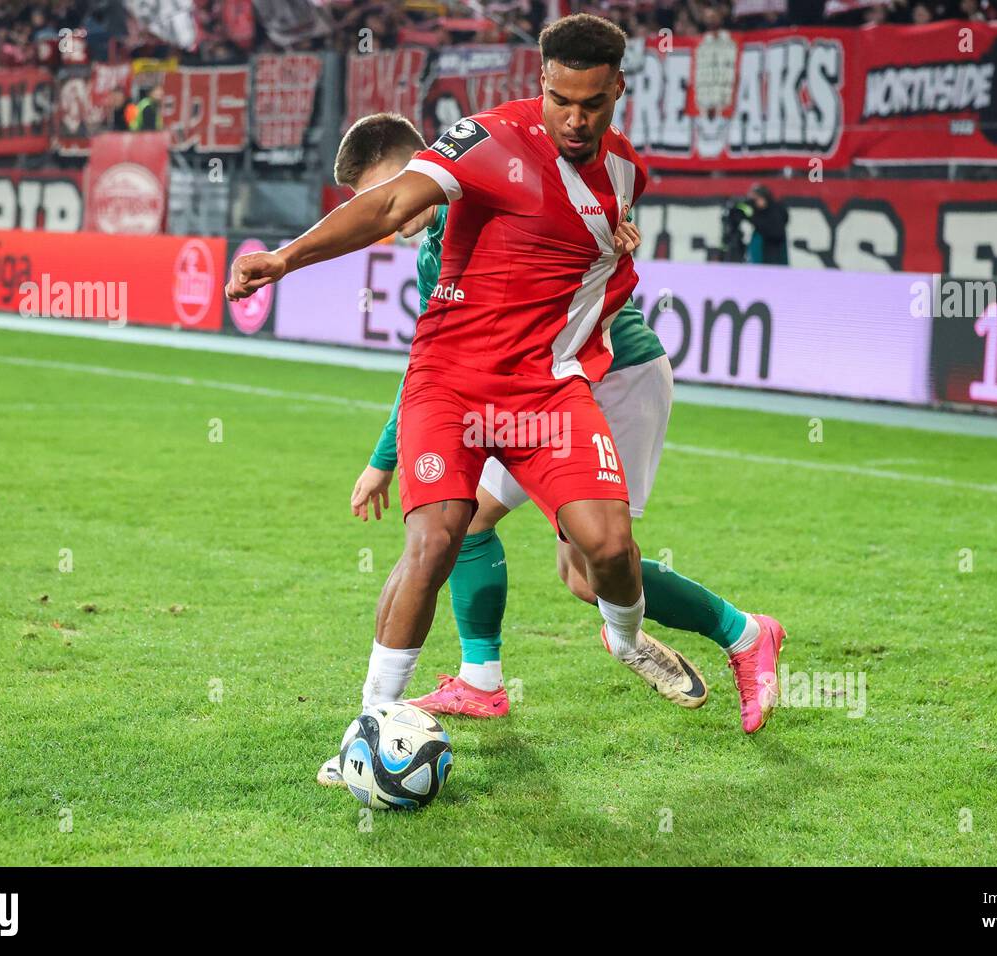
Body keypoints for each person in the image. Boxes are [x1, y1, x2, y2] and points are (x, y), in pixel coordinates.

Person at [225, 14, 787, 781]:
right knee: (449, 533)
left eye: (591, 102)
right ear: (540, 86)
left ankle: (723, 634)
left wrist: (613, 247)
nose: (574, 117)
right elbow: (390, 215)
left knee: (596, 562)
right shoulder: (474, 160)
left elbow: (592, 268)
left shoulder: (617, 174)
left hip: (602, 376)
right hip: (475, 389)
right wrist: (285, 259)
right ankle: (442, 695)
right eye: (560, 100)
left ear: (618, 91)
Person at [337, 112, 787, 741]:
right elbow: (435, 364)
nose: (385, 214)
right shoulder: (433, 251)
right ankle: (481, 680)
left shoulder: (493, 187)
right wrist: (385, 459)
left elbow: (587, 206)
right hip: (524, 391)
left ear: (423, 161)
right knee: (462, 522)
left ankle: (744, 632)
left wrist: (614, 230)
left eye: (382, 191)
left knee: (584, 572)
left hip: (615, 377)